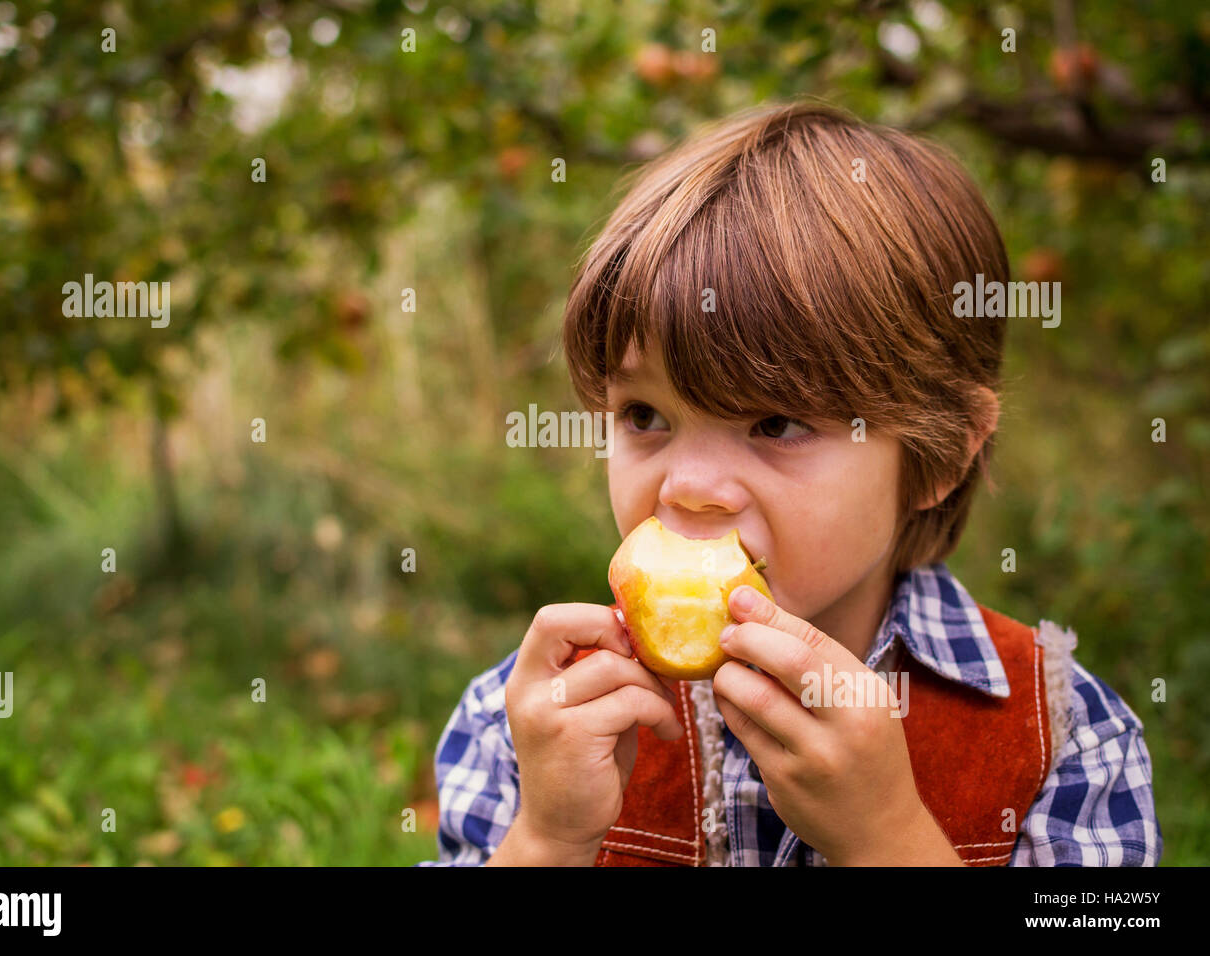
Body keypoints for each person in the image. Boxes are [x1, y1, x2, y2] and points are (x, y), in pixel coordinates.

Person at [418, 101, 1161, 866]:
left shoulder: (1068, 736)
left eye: (774, 425)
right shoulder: (529, 717)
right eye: (644, 414)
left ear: (941, 456)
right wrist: (547, 838)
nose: (691, 487)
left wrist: (889, 841)